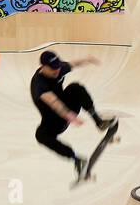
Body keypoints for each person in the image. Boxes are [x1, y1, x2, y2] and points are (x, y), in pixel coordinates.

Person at [30, 50, 117, 182]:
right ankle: (77, 160)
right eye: (53, 69)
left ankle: (98, 121)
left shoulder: (58, 68)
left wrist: (88, 58)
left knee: (75, 87)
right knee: (40, 135)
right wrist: (69, 115)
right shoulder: (38, 85)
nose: (57, 71)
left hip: (68, 109)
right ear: (43, 67)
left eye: (58, 67)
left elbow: (72, 64)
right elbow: (54, 103)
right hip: (53, 121)